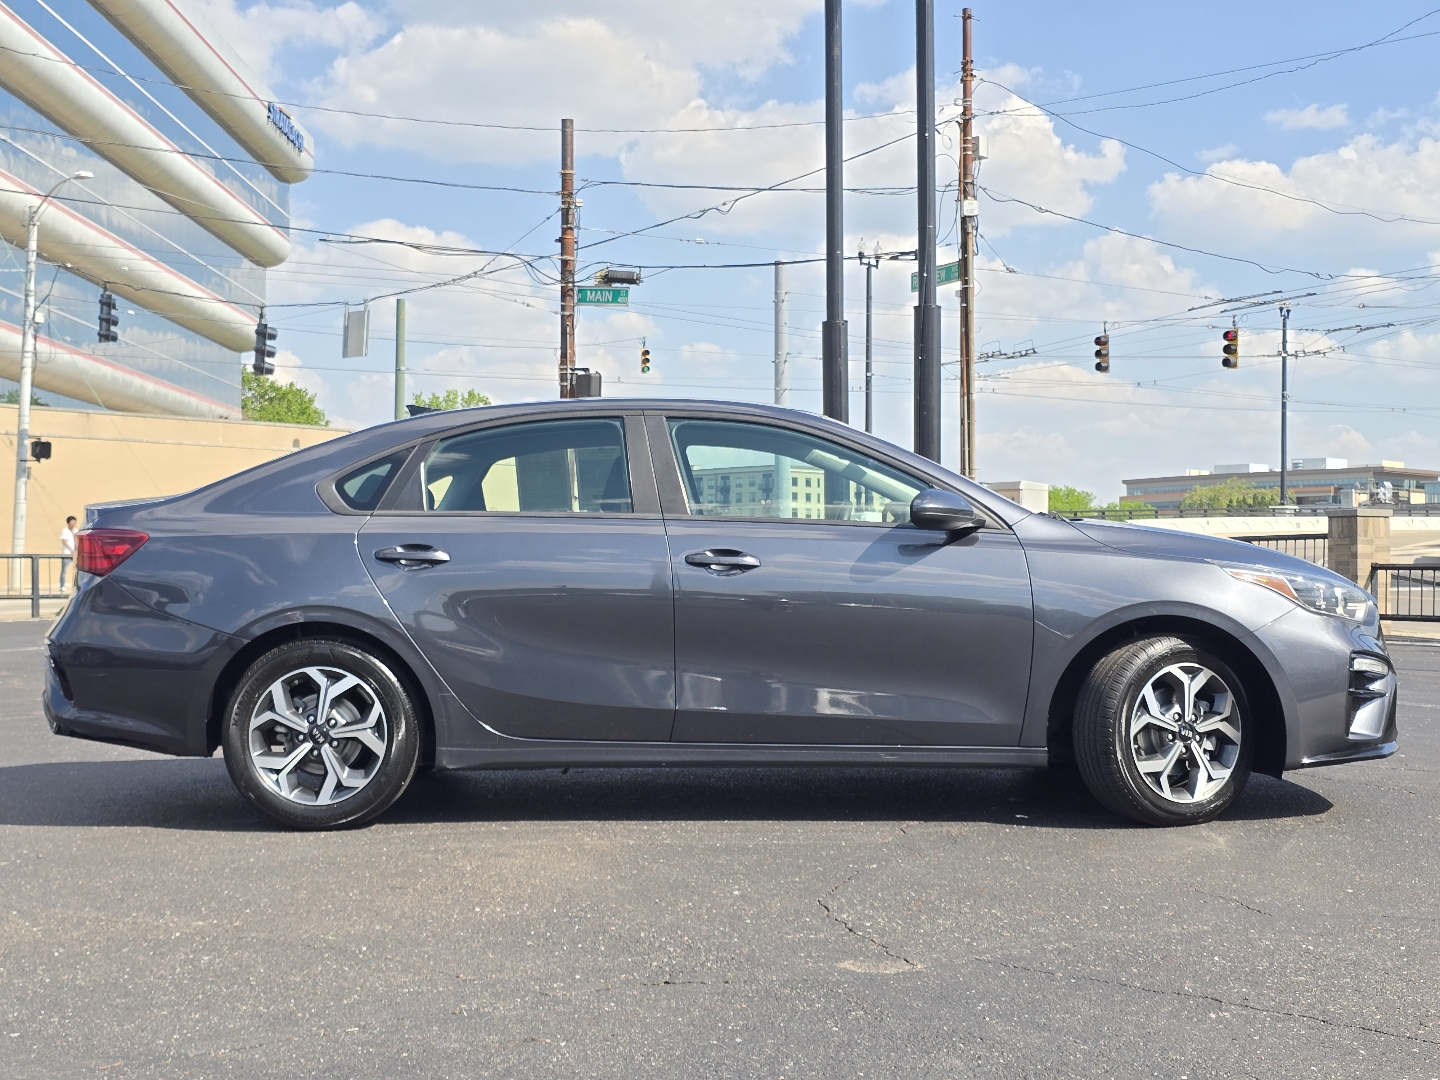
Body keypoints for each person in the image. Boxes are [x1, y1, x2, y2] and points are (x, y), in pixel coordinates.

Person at [59, 516, 76, 591]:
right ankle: (62, 585)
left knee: (77, 571)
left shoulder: (76, 531)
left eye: (74, 522)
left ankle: (75, 585)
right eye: (72, 522)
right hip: (67, 554)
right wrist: (72, 550)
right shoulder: (65, 531)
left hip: (75, 554)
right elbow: (64, 542)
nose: (73, 524)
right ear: (68, 523)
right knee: (64, 570)